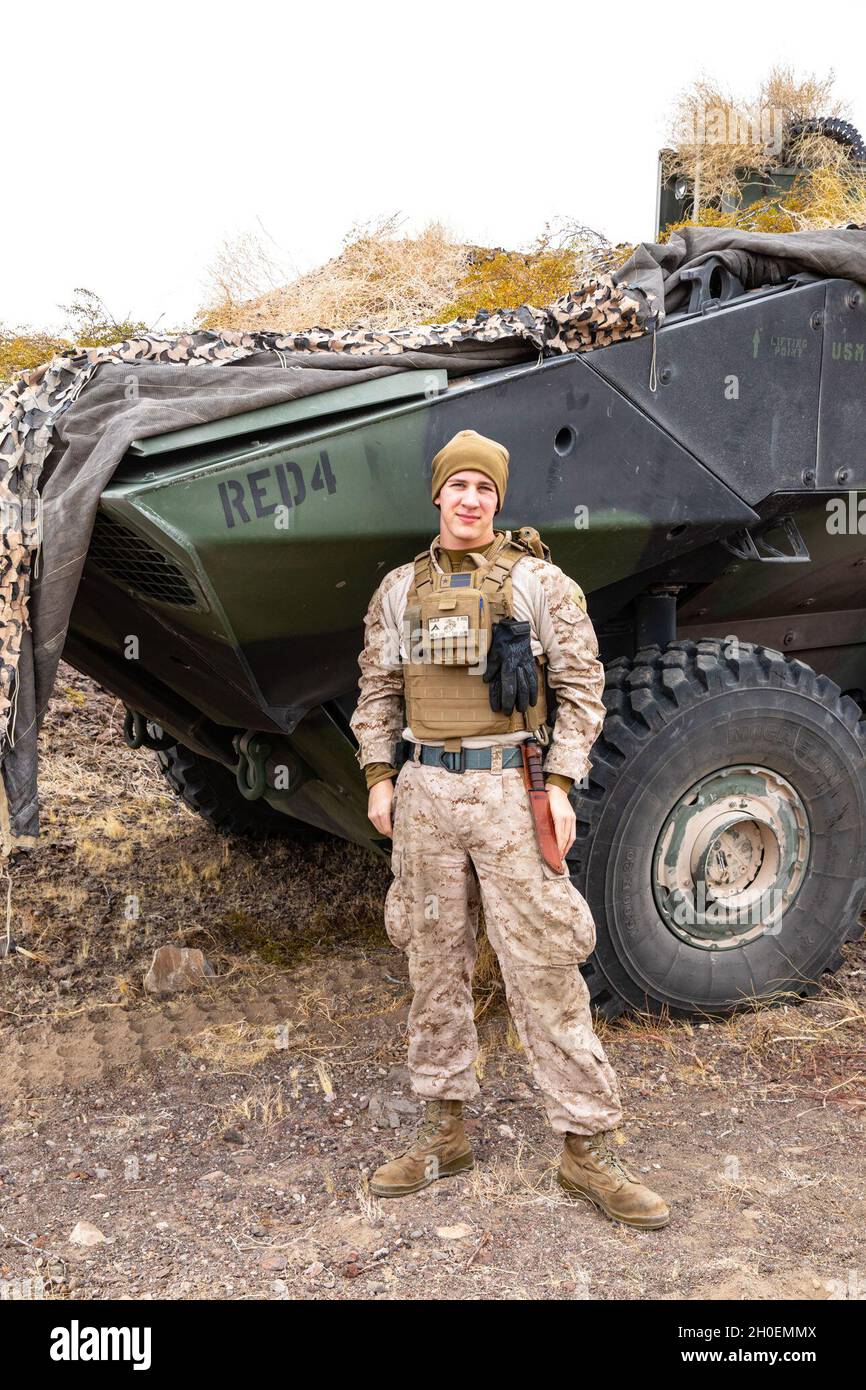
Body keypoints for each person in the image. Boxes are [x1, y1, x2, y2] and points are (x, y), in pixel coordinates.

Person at [348, 428, 670, 1229]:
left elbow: (584, 688)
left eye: (484, 489)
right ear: (438, 495)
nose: (470, 500)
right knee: (433, 966)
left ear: (498, 498)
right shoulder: (396, 590)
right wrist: (379, 773)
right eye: (457, 486)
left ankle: (587, 1150)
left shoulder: (539, 584)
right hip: (425, 793)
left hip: (508, 790)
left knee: (547, 967)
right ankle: (443, 1135)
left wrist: (561, 781)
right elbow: (378, 690)